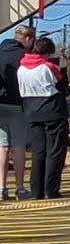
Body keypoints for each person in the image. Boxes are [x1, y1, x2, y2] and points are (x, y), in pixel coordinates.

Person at [17, 36, 70, 200]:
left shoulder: (21, 68)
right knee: (54, 150)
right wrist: (65, 75)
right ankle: (51, 190)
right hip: (52, 109)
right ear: (47, 52)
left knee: (38, 152)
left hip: (31, 110)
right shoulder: (48, 66)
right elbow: (62, 88)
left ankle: (36, 191)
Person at [0, 25, 33, 200]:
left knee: (3, 146)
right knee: (19, 145)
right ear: (27, 39)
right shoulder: (23, 56)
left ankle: (1, 187)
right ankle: (20, 188)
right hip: (16, 104)